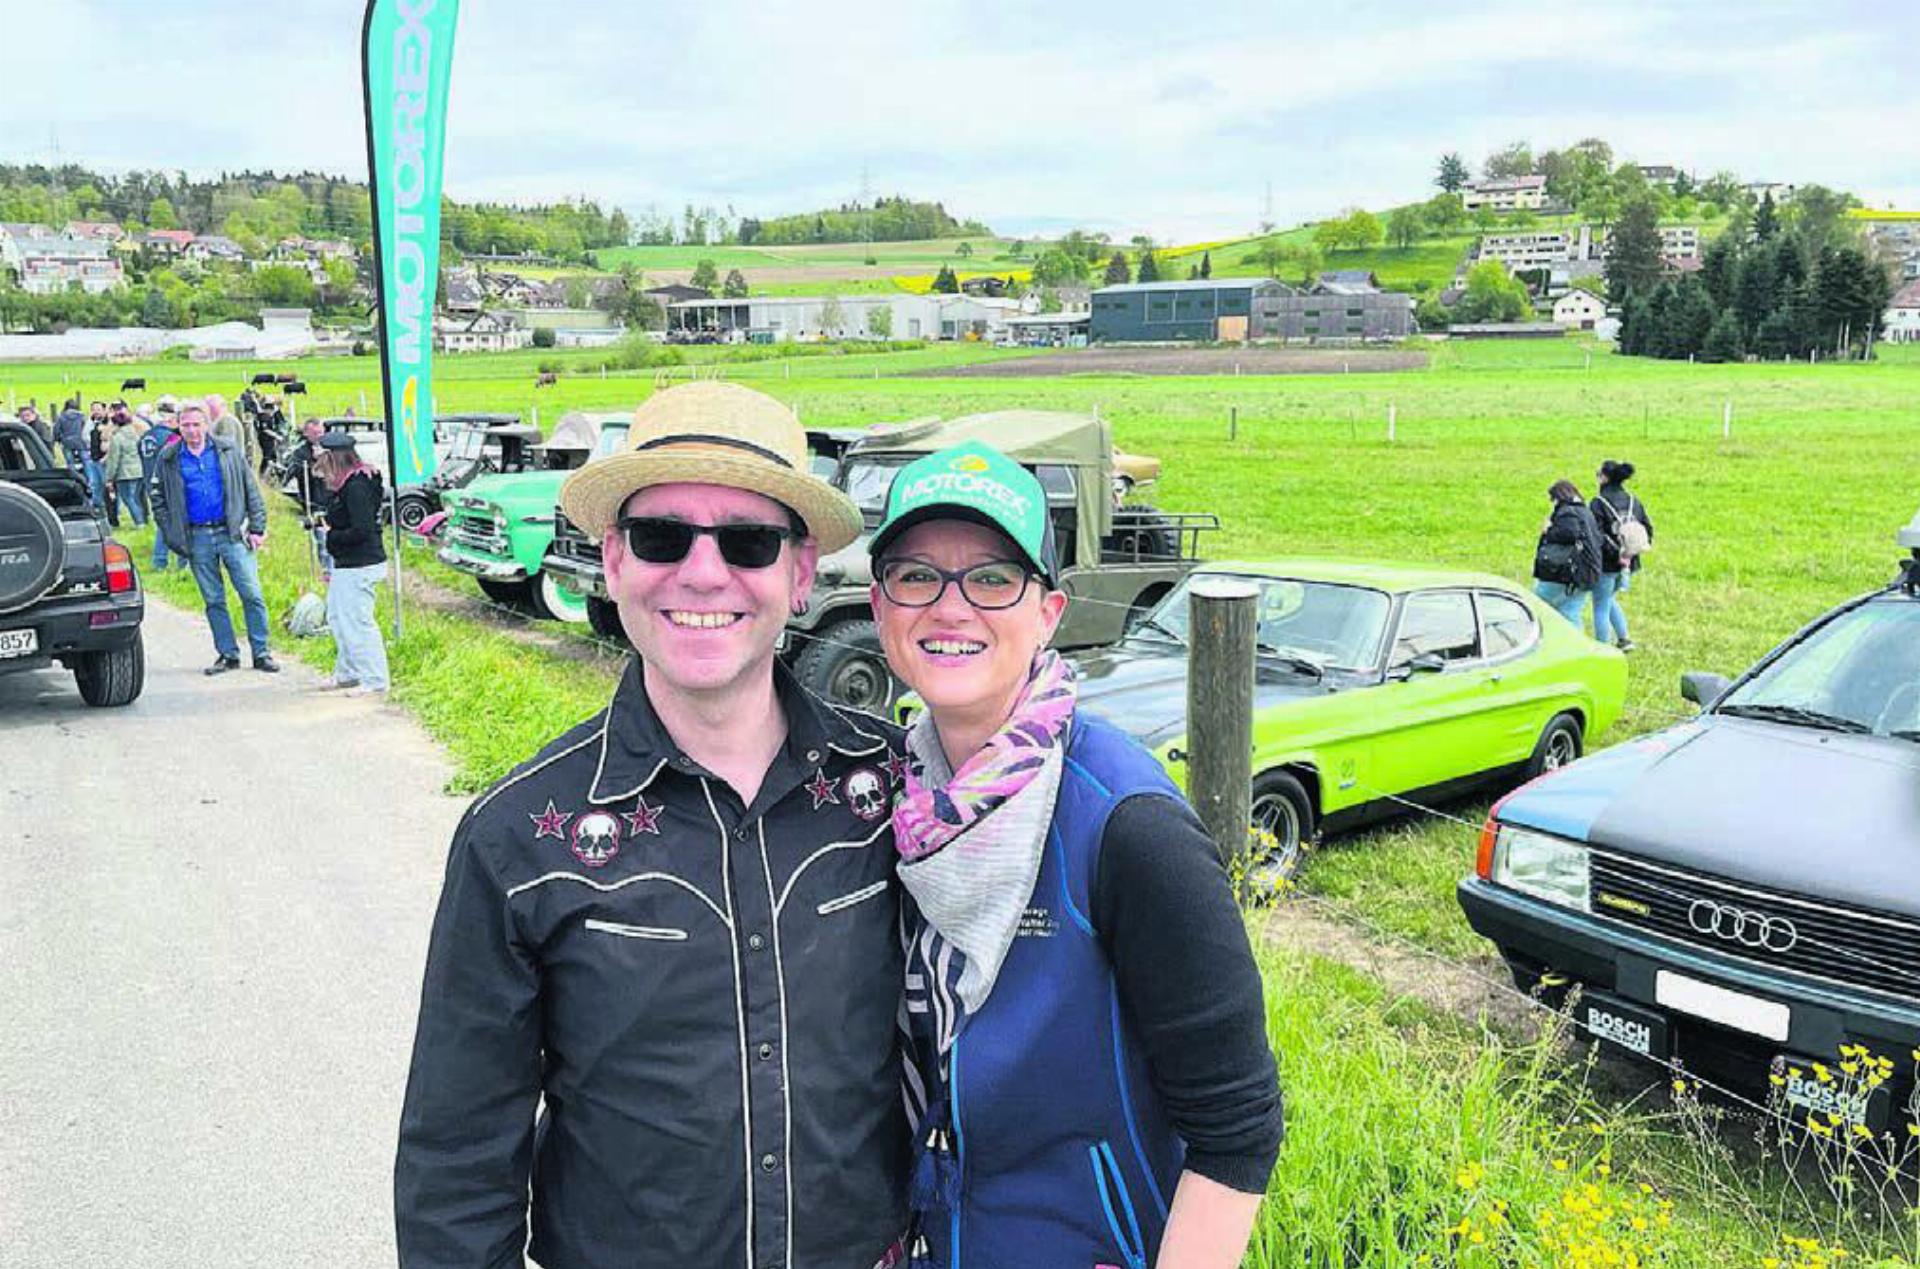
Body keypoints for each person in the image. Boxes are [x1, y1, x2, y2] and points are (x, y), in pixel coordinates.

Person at [395, 383, 911, 1269]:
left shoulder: (899, 789)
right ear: (614, 561)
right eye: (661, 536)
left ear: (798, 573)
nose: (702, 573)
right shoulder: (519, 839)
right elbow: (458, 1159)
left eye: (747, 540)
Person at [870, 442, 1284, 1269]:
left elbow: (1237, 1127)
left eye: (992, 578)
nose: (951, 608)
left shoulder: (1128, 826)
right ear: (879, 605)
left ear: (1049, 612)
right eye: (917, 575)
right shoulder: (882, 797)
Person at [150, 404, 280, 675]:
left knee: (252, 594)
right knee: (213, 599)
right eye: (186, 425)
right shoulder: (169, 457)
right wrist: (172, 535)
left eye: (197, 425)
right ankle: (227, 653)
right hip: (196, 536)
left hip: (232, 532)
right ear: (179, 426)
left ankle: (261, 652)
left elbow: (250, 488)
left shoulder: (228, 450)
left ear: (206, 425)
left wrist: (257, 526)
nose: (192, 430)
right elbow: (158, 498)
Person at [312, 433, 389, 695]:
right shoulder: (353, 481)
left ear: (333, 458)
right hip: (349, 563)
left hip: (361, 563)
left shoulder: (356, 487)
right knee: (338, 617)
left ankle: (375, 678)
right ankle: (349, 672)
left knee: (357, 621)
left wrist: (330, 534)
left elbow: (362, 529)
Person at [1589, 460, 1653, 652]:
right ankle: (1624, 639)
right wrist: (1629, 555)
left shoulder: (1598, 503)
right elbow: (1647, 529)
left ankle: (1603, 648)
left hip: (1607, 564)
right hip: (1630, 563)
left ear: (1604, 478)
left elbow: (1596, 535)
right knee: (1608, 598)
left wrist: (1616, 554)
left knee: (1600, 605)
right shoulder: (1634, 501)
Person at [1532, 478, 1603, 628]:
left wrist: (1548, 530)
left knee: (1535, 607)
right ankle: (1576, 647)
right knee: (1571, 613)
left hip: (1566, 574)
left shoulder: (1567, 512)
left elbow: (1569, 533)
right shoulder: (1585, 512)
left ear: (1558, 497)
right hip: (1587, 573)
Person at [138, 402, 182, 571]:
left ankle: (159, 561)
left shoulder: (145, 437)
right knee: (177, 523)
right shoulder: (171, 438)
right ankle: (179, 562)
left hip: (151, 481)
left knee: (161, 521)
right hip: (170, 485)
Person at [104, 404, 147, 528]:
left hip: (125, 473)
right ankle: (143, 519)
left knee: (129, 499)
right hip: (139, 471)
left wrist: (109, 477)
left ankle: (139, 522)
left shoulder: (117, 438)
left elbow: (113, 460)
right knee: (137, 498)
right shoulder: (137, 436)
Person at [206, 393, 261, 474]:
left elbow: (225, 446)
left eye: (210, 407)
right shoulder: (220, 421)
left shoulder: (226, 421)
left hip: (231, 469)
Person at [54, 398, 88, 475]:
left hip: (67, 442)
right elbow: (85, 428)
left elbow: (56, 430)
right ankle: (90, 479)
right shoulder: (81, 416)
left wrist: (59, 439)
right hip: (80, 441)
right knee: (86, 461)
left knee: (70, 462)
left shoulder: (61, 417)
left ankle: (74, 479)